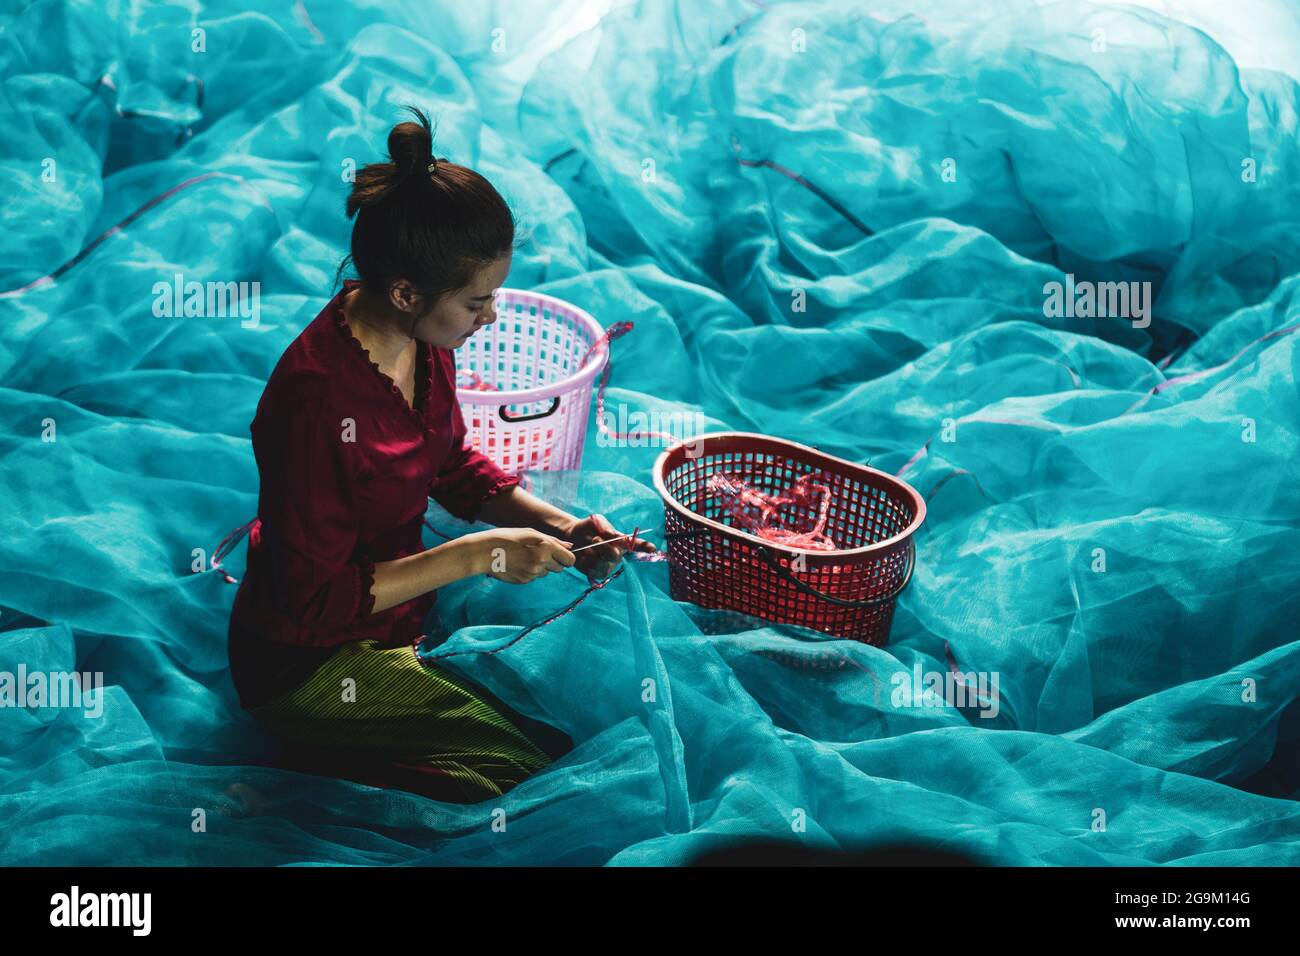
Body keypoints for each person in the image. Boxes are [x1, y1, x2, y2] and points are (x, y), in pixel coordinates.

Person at [227, 106, 655, 803]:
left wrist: (557, 525)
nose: (491, 318)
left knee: (555, 736)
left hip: (392, 620)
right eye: (478, 303)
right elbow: (312, 602)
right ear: (405, 291)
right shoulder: (318, 405)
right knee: (530, 783)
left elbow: (451, 463)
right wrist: (477, 554)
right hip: (307, 661)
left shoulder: (422, 339)